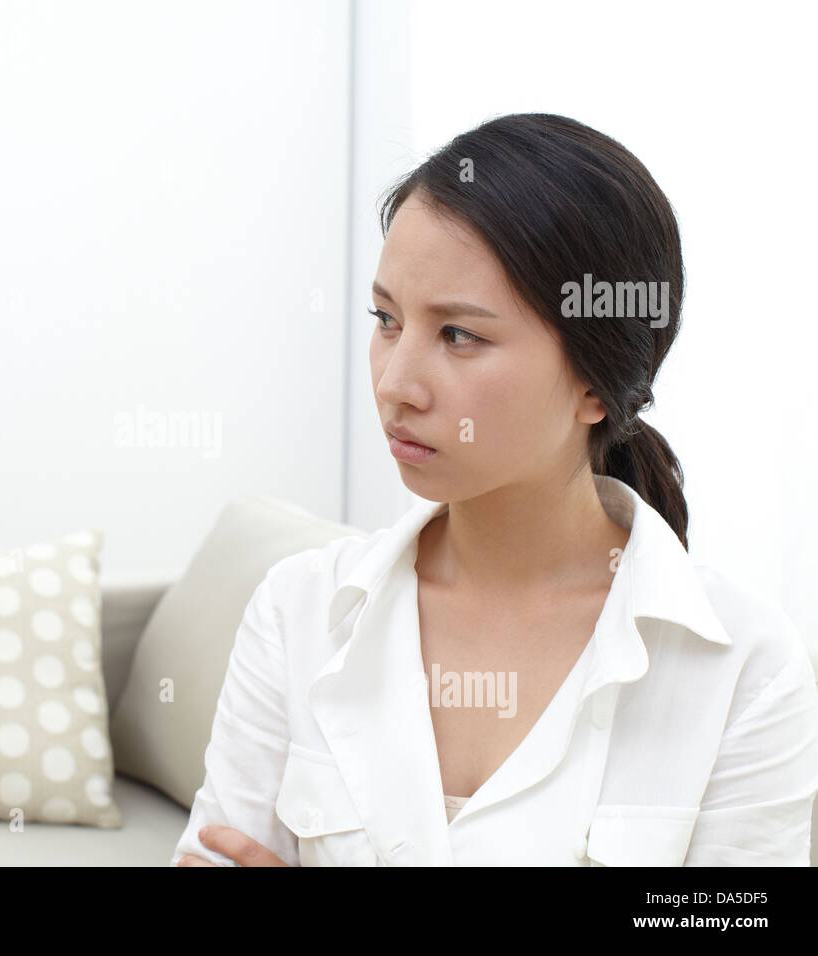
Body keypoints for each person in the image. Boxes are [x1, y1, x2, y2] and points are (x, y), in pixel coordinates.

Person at [172, 113, 818, 866]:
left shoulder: (746, 669)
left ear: (595, 384)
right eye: (386, 319)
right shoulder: (298, 612)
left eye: (459, 336)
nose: (394, 383)